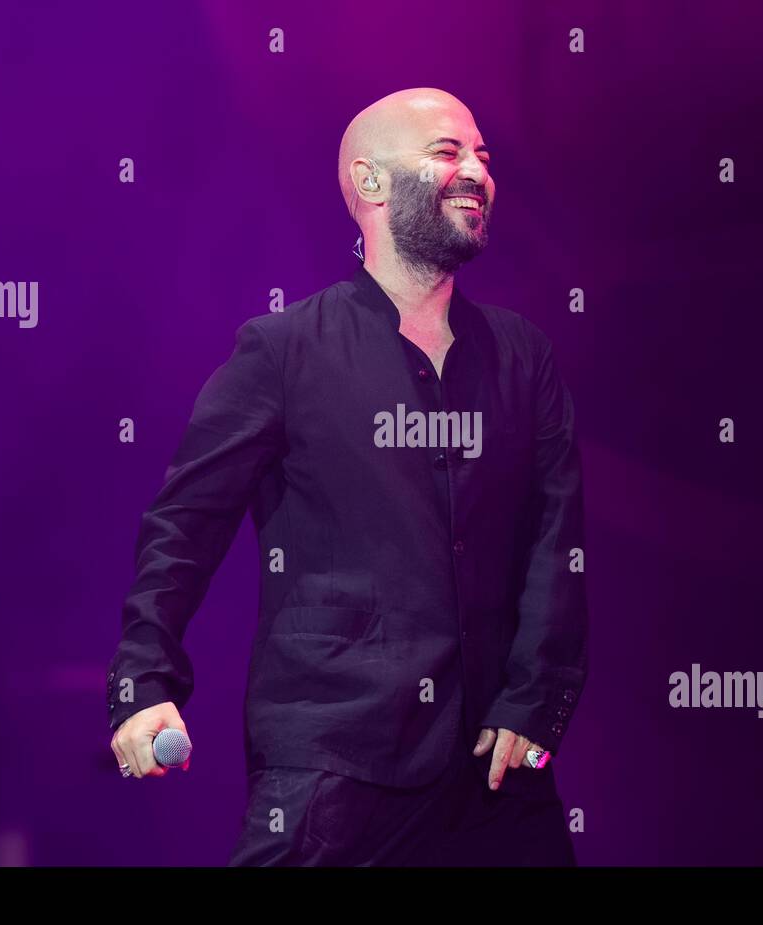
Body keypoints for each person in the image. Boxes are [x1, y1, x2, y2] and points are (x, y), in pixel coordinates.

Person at [106, 88, 588, 865]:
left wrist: (542, 704)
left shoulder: (521, 356)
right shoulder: (284, 349)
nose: (476, 170)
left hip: (501, 771)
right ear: (369, 182)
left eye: (484, 156)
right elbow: (183, 527)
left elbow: (555, 543)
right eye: (447, 152)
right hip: (335, 761)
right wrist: (144, 682)